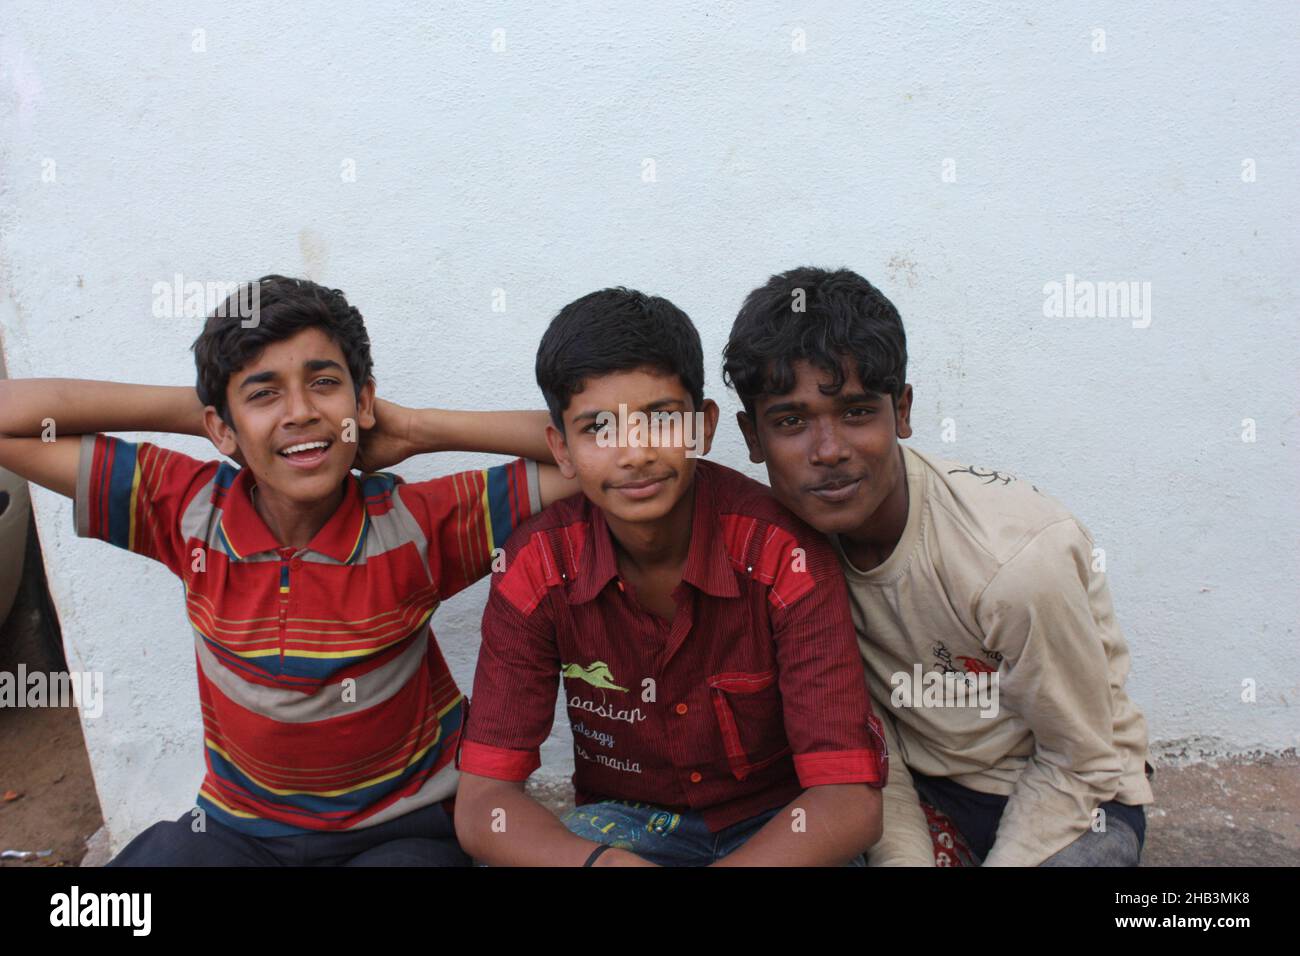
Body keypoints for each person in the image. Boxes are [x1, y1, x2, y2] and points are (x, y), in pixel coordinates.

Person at [0, 275, 577, 866]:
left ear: (363, 403)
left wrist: (414, 428)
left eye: (324, 384)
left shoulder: (417, 524)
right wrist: (204, 413)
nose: (300, 412)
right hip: (239, 830)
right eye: (265, 393)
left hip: (405, 828)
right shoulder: (185, 508)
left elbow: (595, 452)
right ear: (220, 428)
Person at [722, 266, 1154, 866]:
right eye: (791, 422)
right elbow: (872, 742)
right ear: (752, 437)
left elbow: (1081, 755)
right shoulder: (786, 552)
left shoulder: (1014, 557)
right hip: (913, 786)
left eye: (855, 412)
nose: (829, 452)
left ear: (901, 411)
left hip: (1066, 790)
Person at [453, 287, 888, 867]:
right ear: (561, 448)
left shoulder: (785, 556)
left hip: (780, 825)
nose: (634, 454)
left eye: (660, 420)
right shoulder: (536, 566)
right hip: (623, 824)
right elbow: (485, 806)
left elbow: (847, 802)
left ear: (703, 428)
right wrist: (598, 864)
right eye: (599, 429)